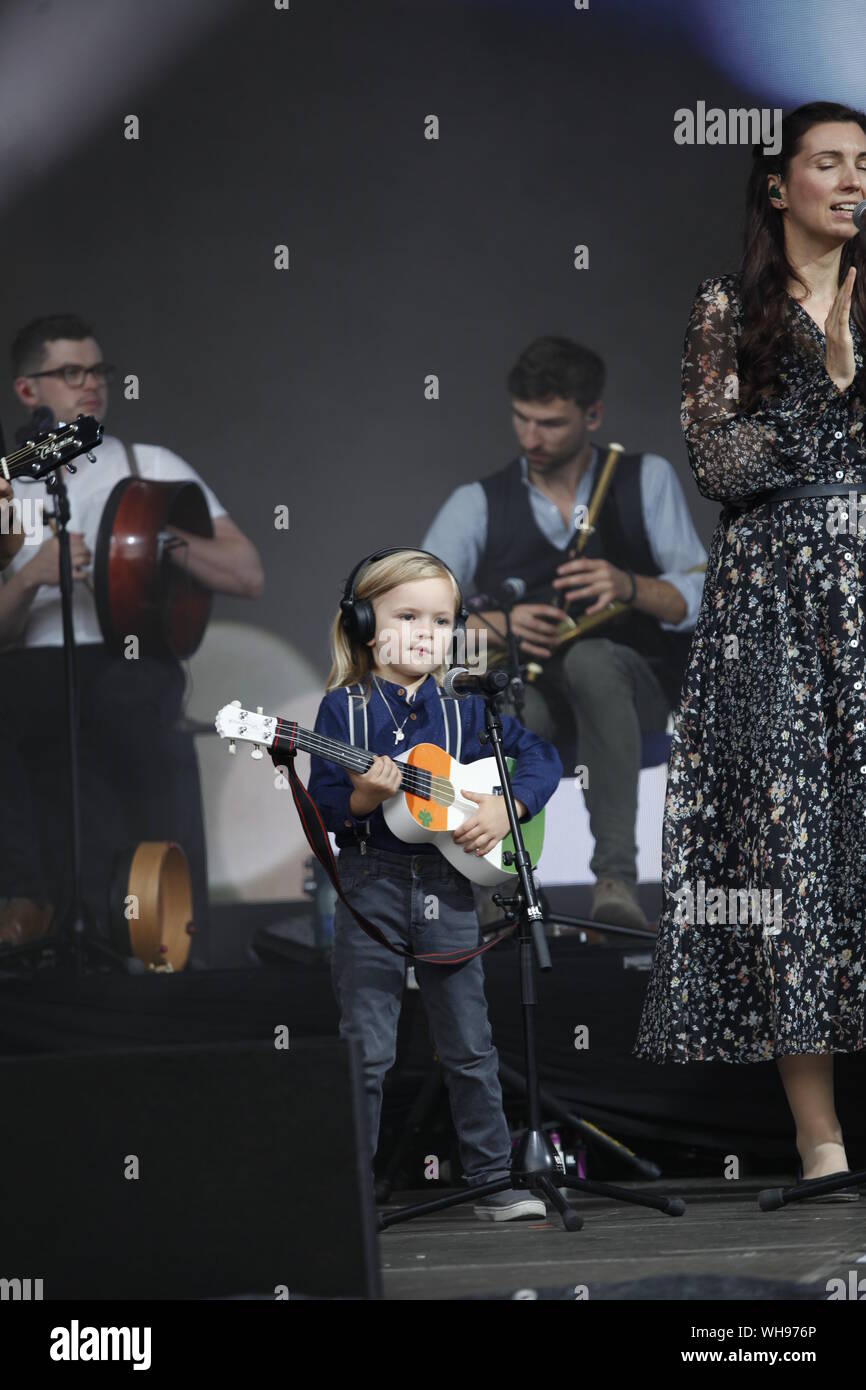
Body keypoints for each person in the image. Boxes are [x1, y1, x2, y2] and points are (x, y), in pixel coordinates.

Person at [634, 102, 866, 1199]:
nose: (849, 180)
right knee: (787, 856)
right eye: (827, 163)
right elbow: (719, 462)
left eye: (862, 165)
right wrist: (821, 381)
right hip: (772, 603)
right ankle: (818, 1141)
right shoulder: (728, 307)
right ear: (777, 185)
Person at [306, 547, 562, 1220]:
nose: (426, 632)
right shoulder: (344, 712)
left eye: (441, 619)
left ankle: (490, 1183)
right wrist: (363, 796)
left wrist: (509, 805)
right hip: (372, 884)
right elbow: (330, 807)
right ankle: (349, 1194)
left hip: (448, 886)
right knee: (366, 1050)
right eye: (407, 615)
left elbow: (539, 757)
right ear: (364, 622)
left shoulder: (465, 709)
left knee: (471, 1045)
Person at [0, 314, 265, 957]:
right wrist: (35, 574)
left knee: (149, 758)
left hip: (131, 670)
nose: (91, 385)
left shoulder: (148, 464)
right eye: (71, 373)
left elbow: (246, 573)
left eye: (98, 371)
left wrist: (154, 543)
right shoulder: (9, 480)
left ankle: (176, 958)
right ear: (28, 391)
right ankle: (65, 951)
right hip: (34, 681)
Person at [423, 337, 707, 932]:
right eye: (522, 419)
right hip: (532, 694)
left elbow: (704, 595)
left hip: (637, 693)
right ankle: (505, 892)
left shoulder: (642, 478)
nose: (530, 438)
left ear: (593, 416)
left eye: (550, 423)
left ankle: (614, 881)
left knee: (594, 660)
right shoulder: (476, 503)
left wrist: (629, 586)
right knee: (515, 713)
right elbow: (414, 613)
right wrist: (496, 624)